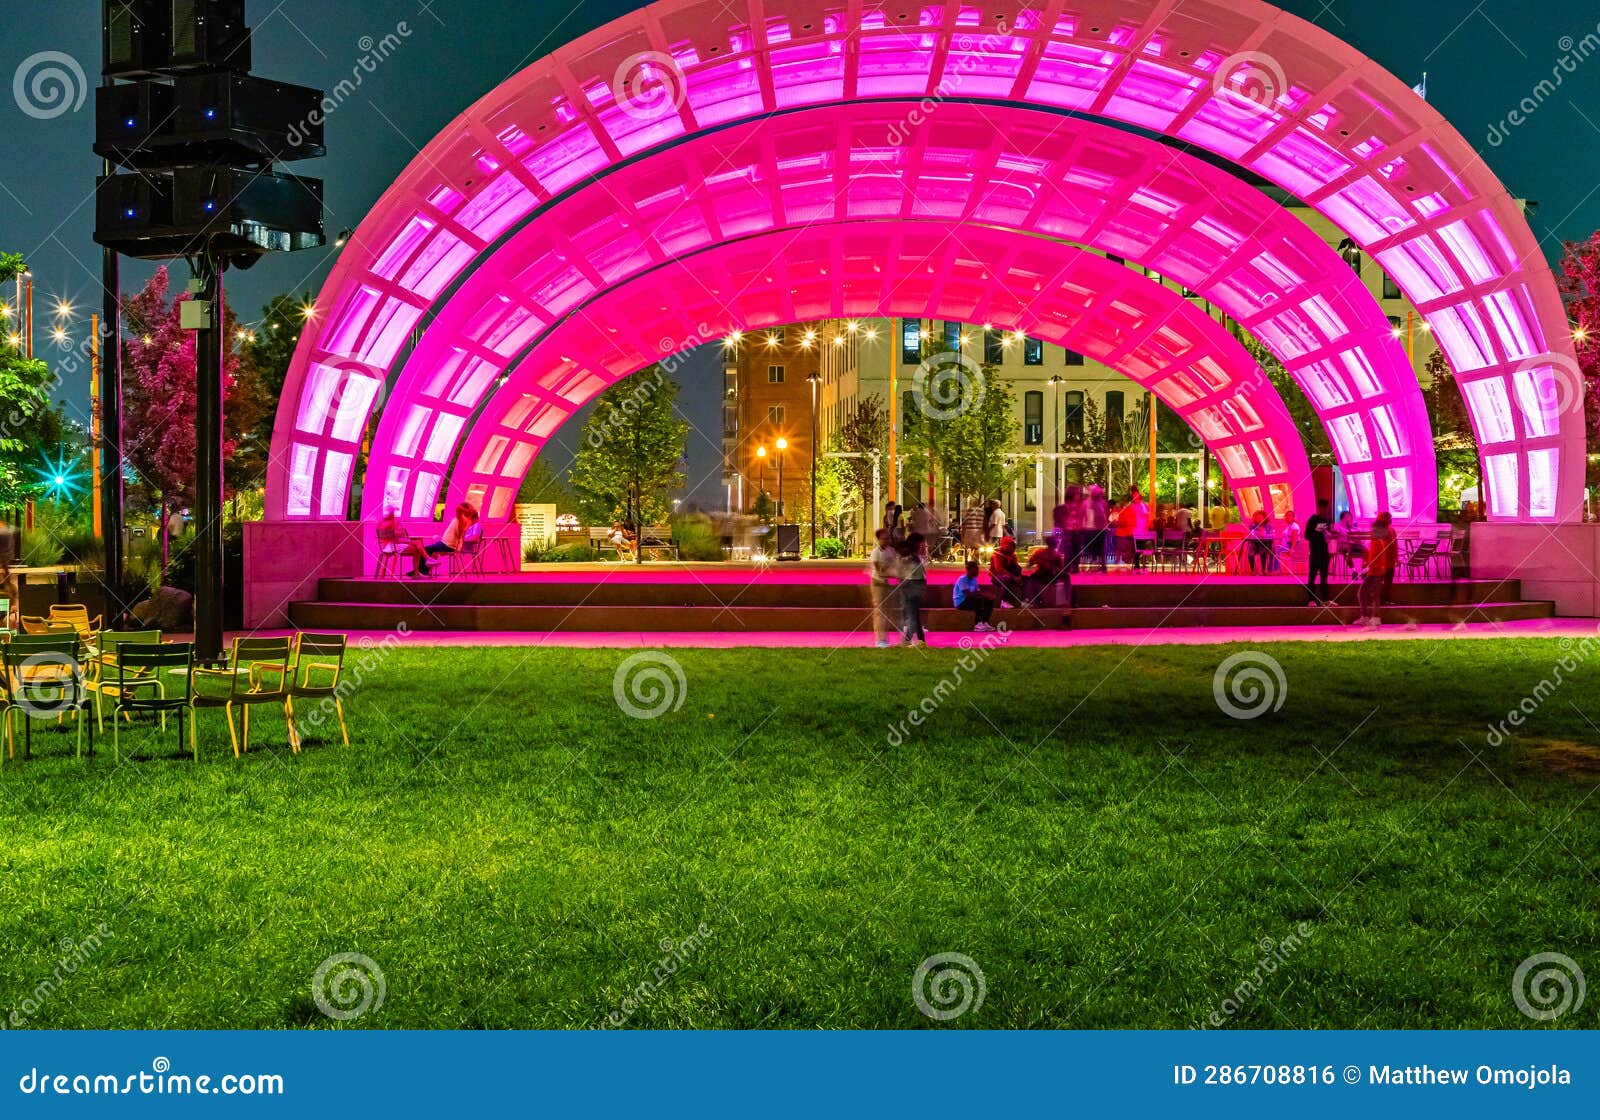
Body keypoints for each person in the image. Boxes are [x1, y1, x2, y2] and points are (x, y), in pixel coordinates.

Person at [1359, 512, 1396, 628]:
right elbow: (1375, 552)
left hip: (1377, 570)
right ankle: (1369, 617)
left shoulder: (1381, 537)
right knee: (1368, 593)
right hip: (1377, 569)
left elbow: (1380, 554)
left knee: (1369, 593)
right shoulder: (1384, 535)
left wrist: (1370, 565)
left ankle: (1373, 618)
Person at [868, 528, 900, 649]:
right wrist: (897, 575)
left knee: (887, 612)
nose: (887, 540)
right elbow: (880, 572)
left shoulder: (891, 551)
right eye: (884, 538)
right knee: (880, 611)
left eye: (888, 538)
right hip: (878, 583)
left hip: (888, 584)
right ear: (878, 539)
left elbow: (896, 565)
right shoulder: (875, 553)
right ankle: (880, 640)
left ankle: (885, 638)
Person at [376, 507, 430, 577]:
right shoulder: (389, 523)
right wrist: (400, 531)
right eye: (392, 512)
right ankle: (422, 566)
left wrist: (399, 532)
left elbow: (395, 535)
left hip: (389, 546)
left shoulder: (382, 523)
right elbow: (396, 535)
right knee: (417, 549)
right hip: (391, 546)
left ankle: (422, 566)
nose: (393, 514)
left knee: (417, 544)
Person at [897, 533, 929, 646]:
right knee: (913, 616)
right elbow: (901, 573)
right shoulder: (910, 557)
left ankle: (916, 640)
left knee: (913, 615)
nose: (924, 547)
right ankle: (915, 640)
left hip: (914, 585)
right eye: (922, 545)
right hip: (912, 585)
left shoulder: (913, 557)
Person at [424, 502, 477, 568]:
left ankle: (422, 571)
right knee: (432, 551)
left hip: (447, 545)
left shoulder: (462, 519)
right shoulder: (464, 520)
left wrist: (469, 509)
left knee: (425, 550)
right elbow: (460, 535)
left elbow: (458, 508)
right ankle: (425, 570)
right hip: (448, 544)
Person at [952, 559, 996, 632]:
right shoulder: (962, 579)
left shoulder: (974, 579)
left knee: (989, 600)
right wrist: (983, 594)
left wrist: (987, 595)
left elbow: (977, 591)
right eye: (975, 569)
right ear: (969, 570)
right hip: (961, 603)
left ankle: (985, 622)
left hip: (970, 601)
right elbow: (967, 594)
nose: (977, 571)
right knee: (978, 600)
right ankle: (977, 624)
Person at [1304, 500, 1333, 605]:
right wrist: (1318, 530)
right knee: (1312, 576)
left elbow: (1327, 536)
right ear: (1320, 508)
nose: (1326, 511)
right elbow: (1307, 535)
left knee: (1324, 577)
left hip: (1325, 552)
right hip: (1315, 552)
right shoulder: (1313, 519)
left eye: (1327, 509)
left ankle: (1325, 600)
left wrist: (1328, 534)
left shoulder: (1328, 520)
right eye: (1324, 508)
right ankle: (1311, 599)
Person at [989, 536, 1026, 606]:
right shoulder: (996, 555)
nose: (1011, 548)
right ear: (1004, 546)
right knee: (1006, 580)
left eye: (1012, 546)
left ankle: (1022, 600)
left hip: (1010, 577)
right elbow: (999, 570)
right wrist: (1013, 577)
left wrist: (1018, 577)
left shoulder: (1013, 556)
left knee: (1026, 579)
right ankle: (1004, 600)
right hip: (997, 577)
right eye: (1009, 545)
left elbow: (1017, 568)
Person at [1085, 485, 1109, 572]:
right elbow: (1105, 515)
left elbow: (1100, 516)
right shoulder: (1102, 503)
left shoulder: (1092, 503)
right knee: (1099, 548)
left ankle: (1098, 565)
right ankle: (1101, 566)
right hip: (1098, 528)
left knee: (1096, 547)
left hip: (1095, 528)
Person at [1246, 510, 1274, 575]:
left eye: (1261, 517)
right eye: (1257, 517)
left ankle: (1263, 570)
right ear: (1255, 518)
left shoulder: (1268, 526)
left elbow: (1272, 535)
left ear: (1264, 518)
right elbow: (1252, 535)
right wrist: (1259, 534)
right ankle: (1252, 570)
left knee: (1263, 551)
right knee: (1250, 552)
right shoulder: (1252, 526)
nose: (1259, 519)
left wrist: (1263, 534)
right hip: (1255, 544)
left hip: (1266, 544)